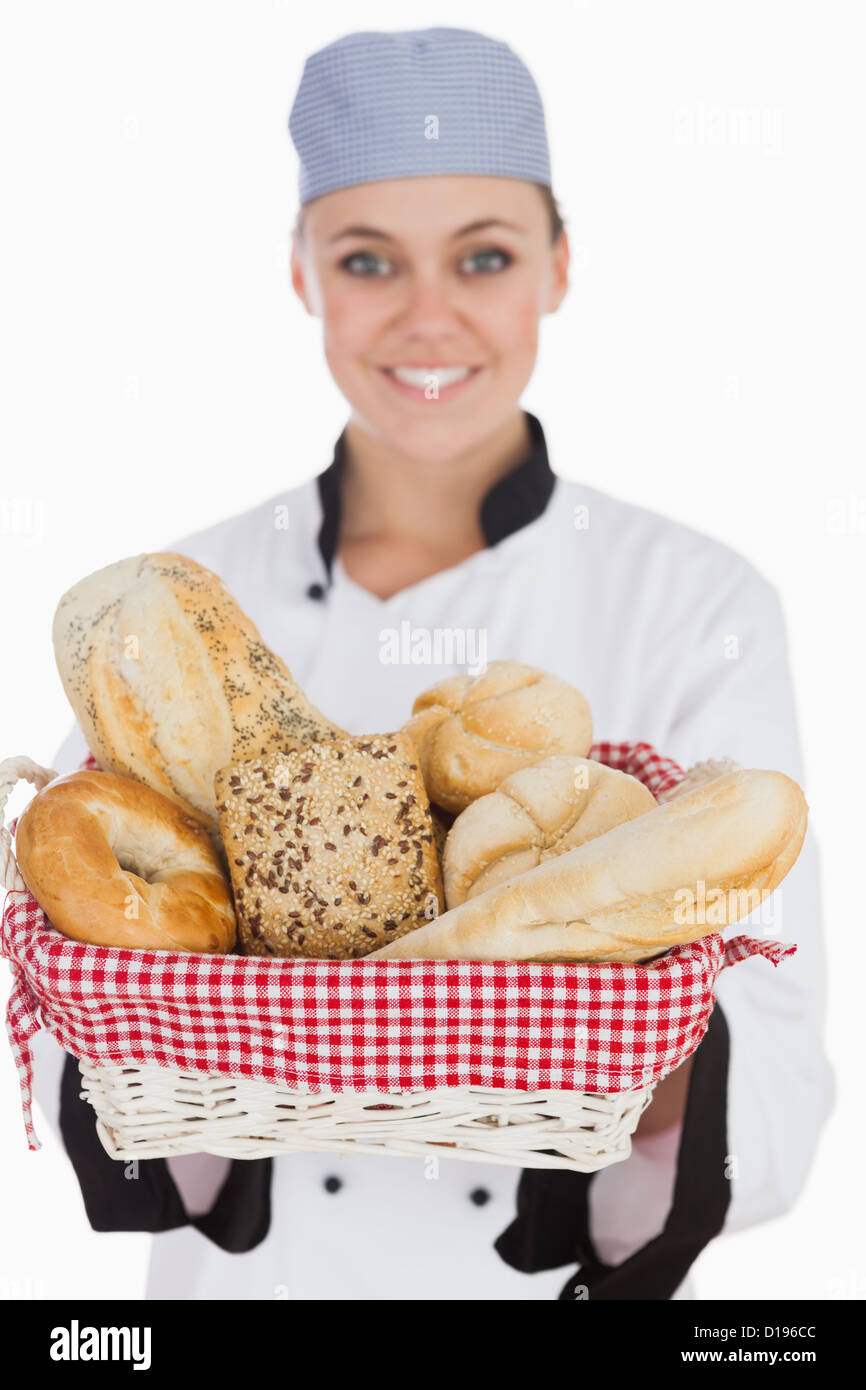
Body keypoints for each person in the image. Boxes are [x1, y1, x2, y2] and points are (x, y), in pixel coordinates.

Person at [32, 26, 832, 1301]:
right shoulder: (166, 605)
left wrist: (592, 991)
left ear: (558, 267)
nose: (427, 316)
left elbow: (782, 1065)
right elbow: (83, 1000)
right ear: (300, 273)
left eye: (484, 256)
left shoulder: (691, 596)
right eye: (366, 260)